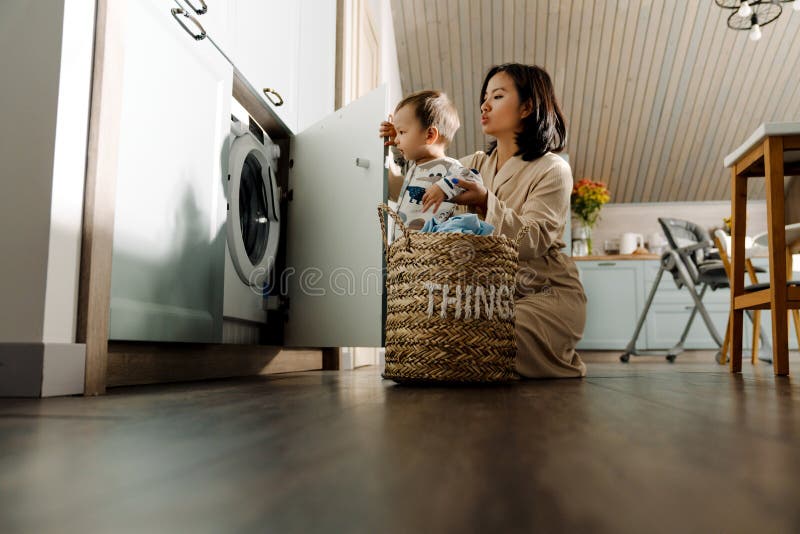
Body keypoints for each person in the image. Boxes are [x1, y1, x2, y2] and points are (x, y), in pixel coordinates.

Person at [380, 63, 587, 378]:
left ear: (527, 107)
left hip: (543, 294)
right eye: (485, 96)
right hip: (485, 295)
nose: (485, 105)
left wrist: (484, 201)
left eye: (498, 96)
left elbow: (532, 241)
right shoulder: (475, 164)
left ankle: (551, 347)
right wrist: (401, 143)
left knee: (487, 341)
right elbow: (418, 184)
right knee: (447, 339)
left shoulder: (552, 169)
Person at [385, 90, 483, 235]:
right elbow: (400, 159)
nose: (397, 139)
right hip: (403, 251)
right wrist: (394, 140)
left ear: (429, 135)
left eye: (402, 132)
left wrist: (444, 187)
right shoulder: (414, 167)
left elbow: (473, 178)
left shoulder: (449, 166)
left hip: (431, 250)